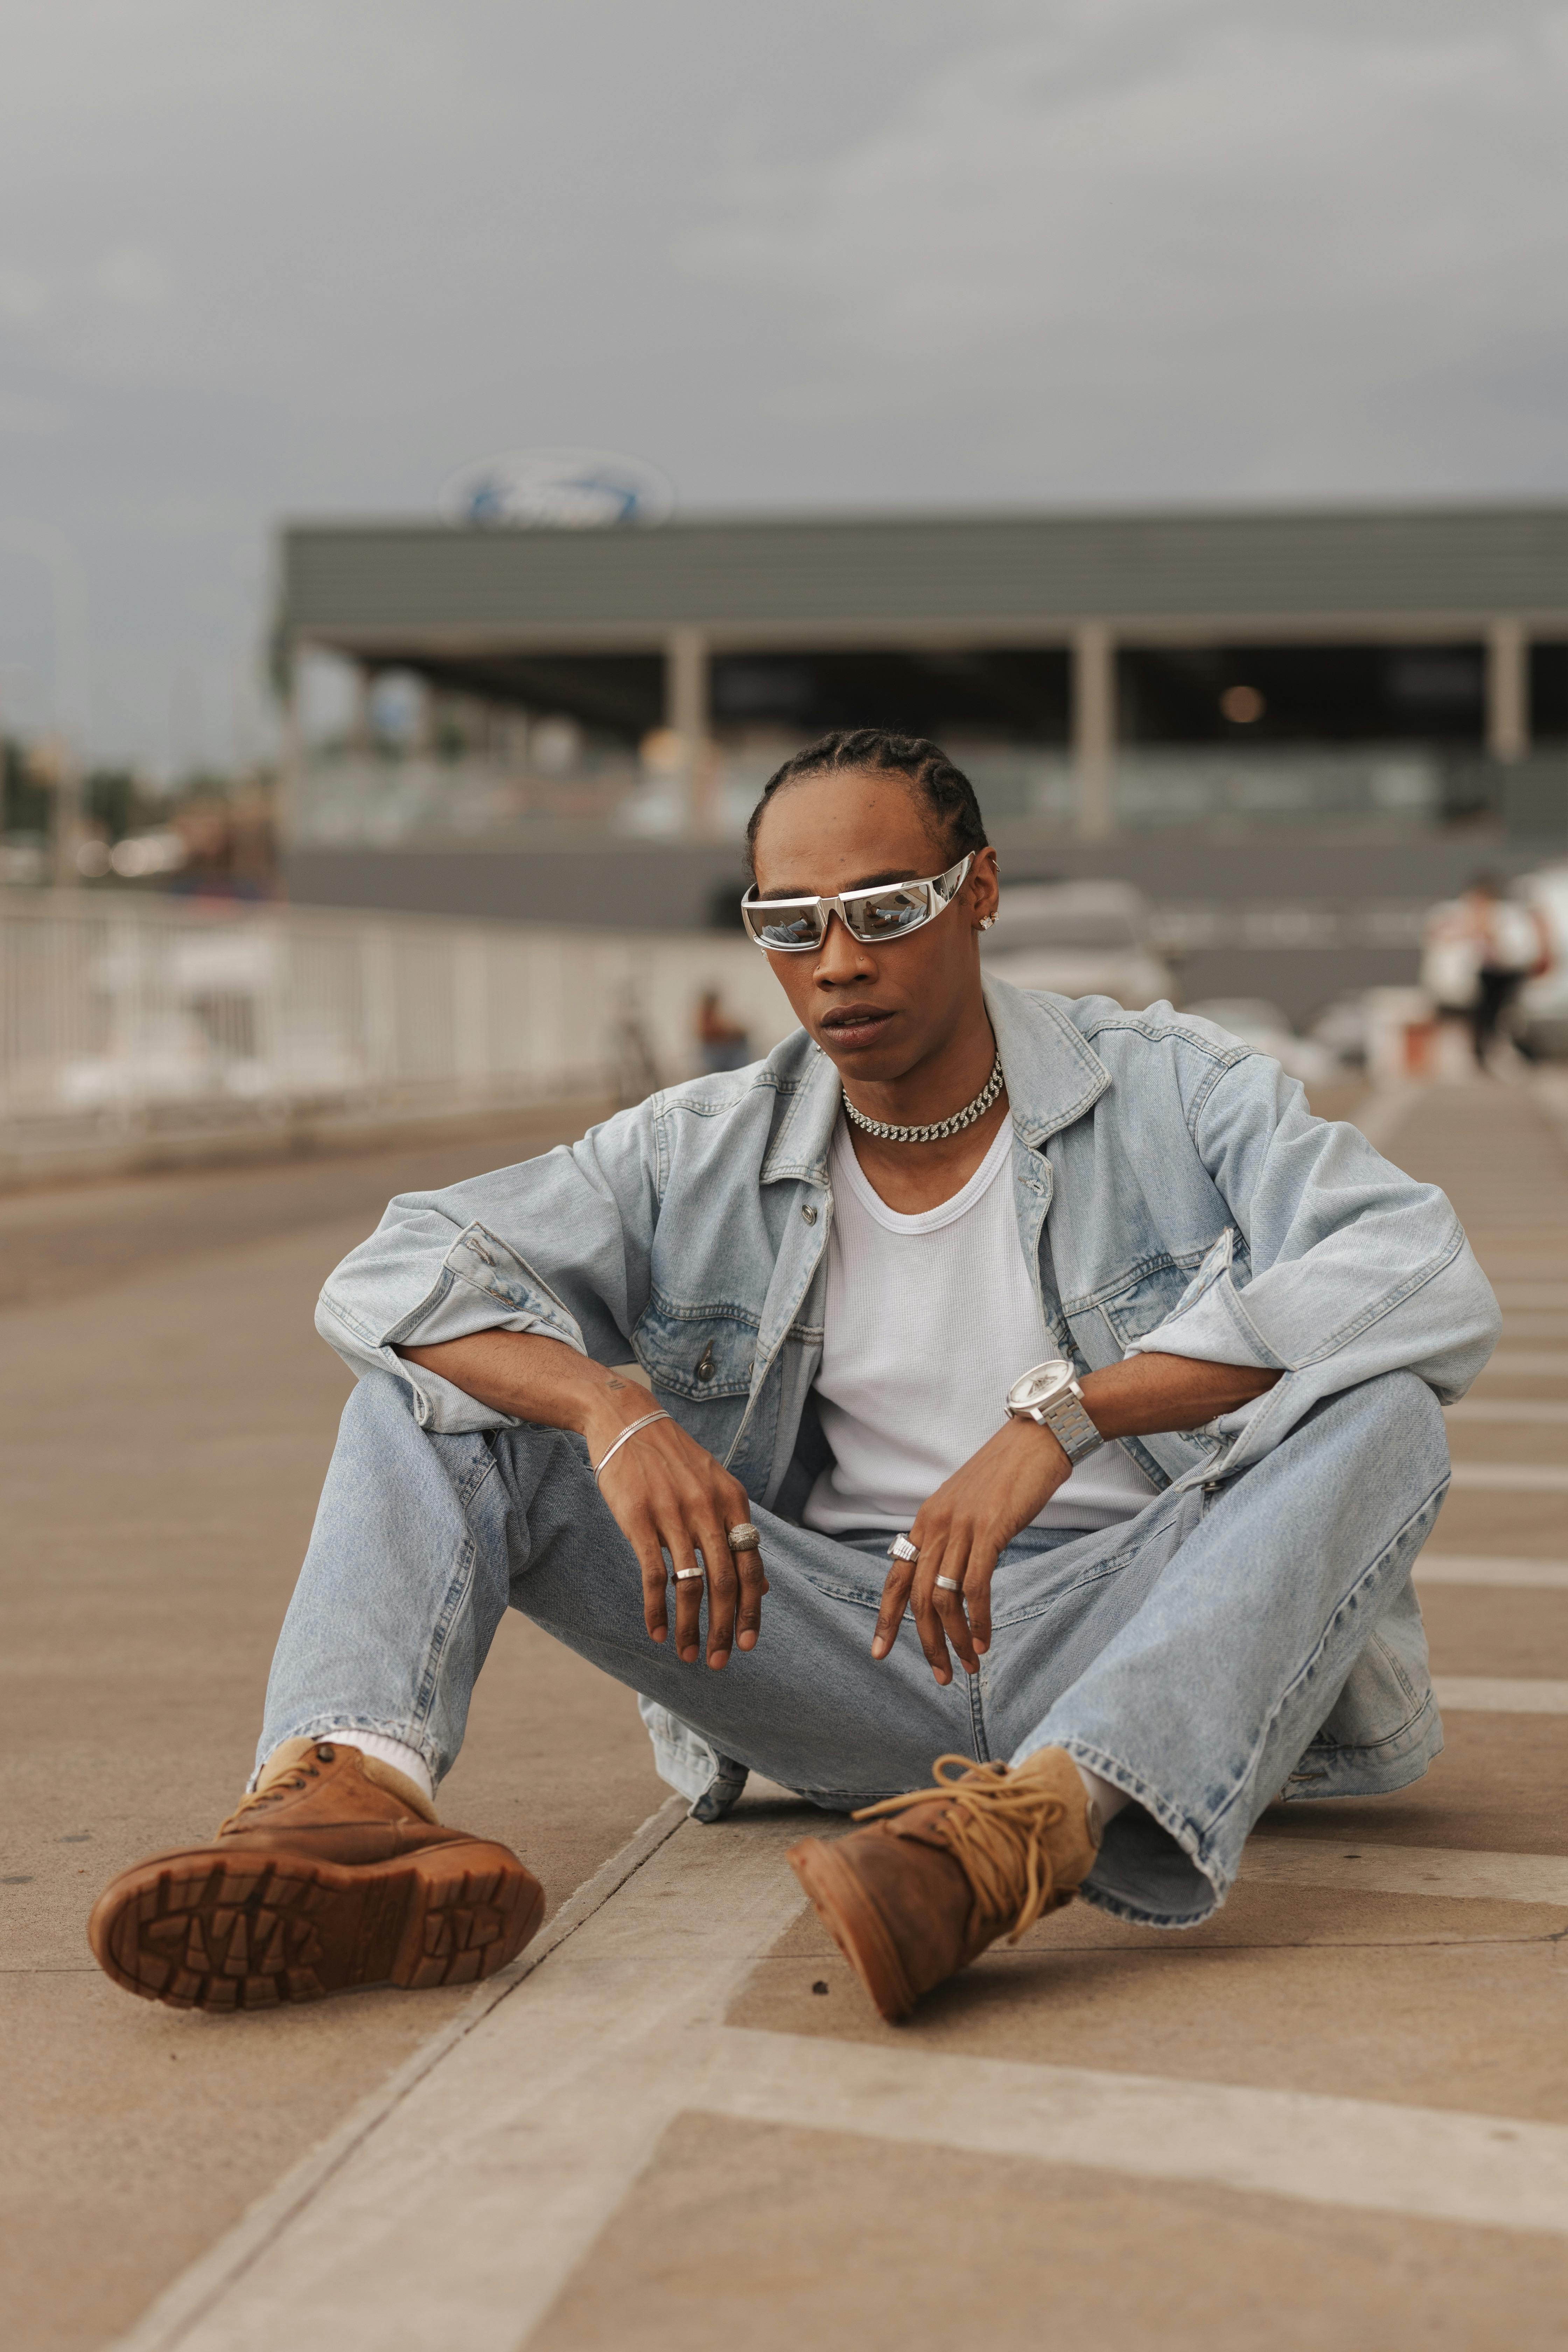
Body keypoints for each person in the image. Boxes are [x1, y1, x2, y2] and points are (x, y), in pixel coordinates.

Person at [89, 729, 1499, 2024]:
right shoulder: (697, 1145)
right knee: (437, 1390)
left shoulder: (1174, 1092)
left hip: (1138, 1625)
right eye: (788, 926)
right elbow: (389, 1275)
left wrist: (1069, 1415)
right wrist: (612, 1406)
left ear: (978, 890)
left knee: (1381, 1412)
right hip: (842, 1645)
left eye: (886, 910)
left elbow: (1416, 1270)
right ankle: (345, 1799)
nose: (836, 960)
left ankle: (1026, 1835)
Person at [1421, 874, 1551, 1070]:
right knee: (1474, 1021)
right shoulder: (1455, 914)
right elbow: (1440, 938)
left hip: (1502, 977)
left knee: (1503, 1019)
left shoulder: (1505, 916)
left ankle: (1511, 1057)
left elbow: (1515, 950)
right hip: (1470, 981)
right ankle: (1478, 1058)